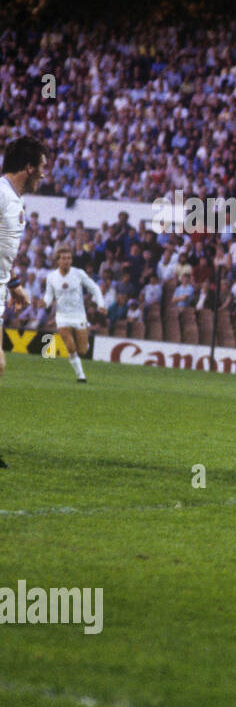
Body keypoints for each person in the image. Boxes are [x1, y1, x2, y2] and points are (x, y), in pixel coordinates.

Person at [0, 136, 50, 469]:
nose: (44, 174)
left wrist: (14, 283)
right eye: (42, 167)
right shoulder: (2, 194)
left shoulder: (14, 199)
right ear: (28, 167)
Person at [41, 246, 106, 383]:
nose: (66, 261)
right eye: (63, 258)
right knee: (70, 347)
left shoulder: (79, 273)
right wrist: (45, 303)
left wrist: (100, 304)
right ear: (58, 260)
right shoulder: (51, 277)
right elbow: (48, 296)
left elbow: (95, 288)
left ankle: (83, 339)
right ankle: (81, 376)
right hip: (62, 317)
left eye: (69, 258)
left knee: (82, 350)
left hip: (79, 316)